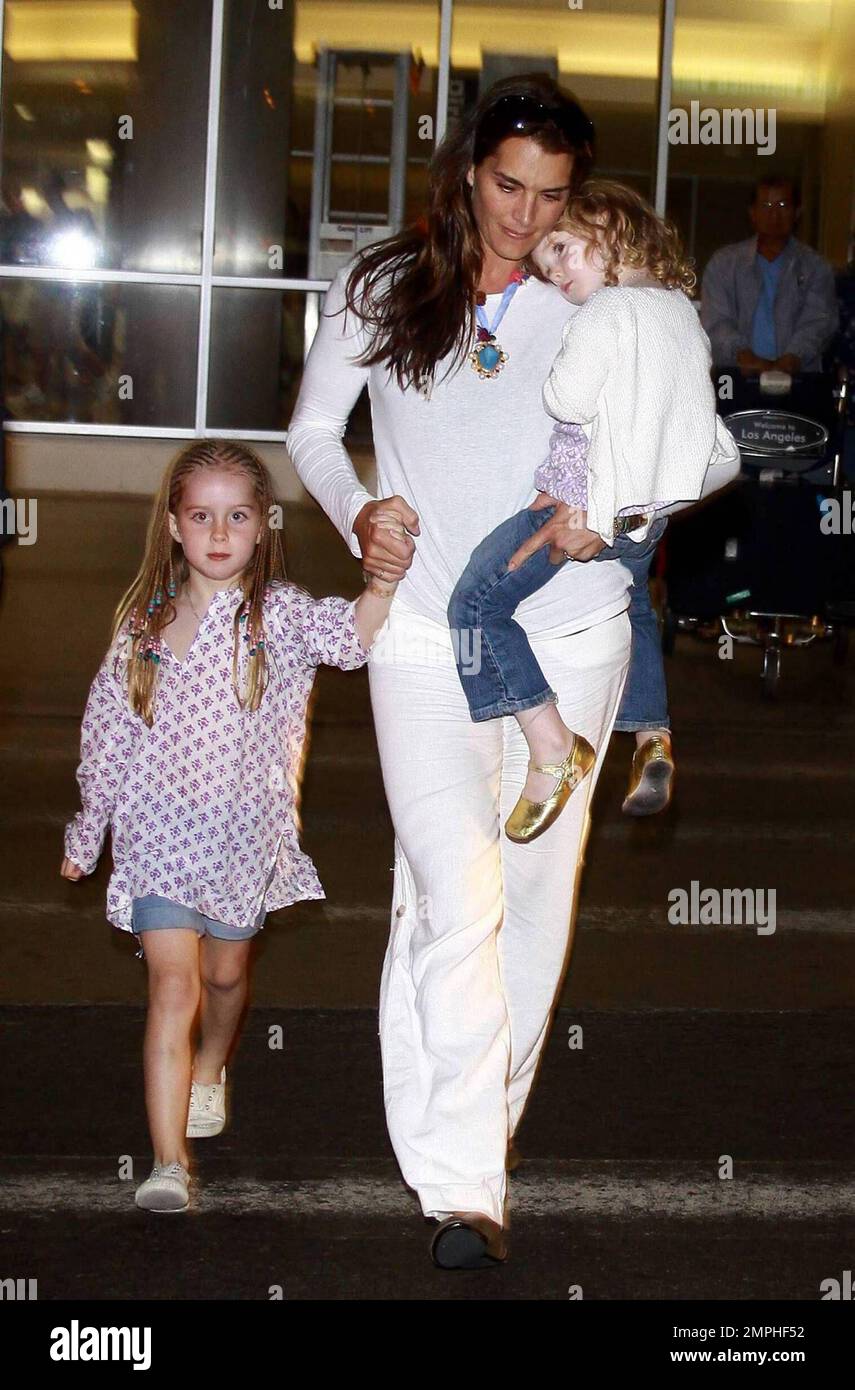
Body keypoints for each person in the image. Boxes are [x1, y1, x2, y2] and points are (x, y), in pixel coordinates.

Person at [286, 75, 740, 1270]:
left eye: (550, 195)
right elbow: (310, 431)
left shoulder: (601, 292)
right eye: (505, 185)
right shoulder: (384, 284)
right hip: (425, 637)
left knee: (534, 900)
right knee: (456, 891)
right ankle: (463, 1183)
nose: (525, 216)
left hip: (574, 638)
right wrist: (358, 510)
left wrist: (621, 517)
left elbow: (713, 450)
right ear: (466, 169)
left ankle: (483, 1124)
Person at [60, 440, 395, 1213]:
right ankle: (168, 1163)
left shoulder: (280, 615)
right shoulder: (144, 625)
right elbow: (107, 732)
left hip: (242, 840)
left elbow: (350, 637)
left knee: (222, 977)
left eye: (237, 516)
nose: (218, 533)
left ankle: (211, 1065)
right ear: (173, 525)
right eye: (201, 516)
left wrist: (382, 581)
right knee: (173, 985)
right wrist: (89, 828)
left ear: (264, 524)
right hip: (156, 837)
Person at [447, 180, 740, 833]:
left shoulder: (604, 311)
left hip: (582, 507)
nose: (553, 273)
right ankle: (652, 737)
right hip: (644, 518)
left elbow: (568, 400)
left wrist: (561, 364)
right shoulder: (681, 315)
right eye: (544, 263)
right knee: (635, 608)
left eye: (562, 251)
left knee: (472, 605)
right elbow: (707, 439)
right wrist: (641, 513)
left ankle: (550, 743)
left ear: (610, 235)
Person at [701, 175, 838, 375]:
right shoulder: (724, 264)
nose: (774, 215)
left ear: (797, 212)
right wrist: (744, 357)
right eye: (766, 206)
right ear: (753, 213)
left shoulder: (815, 267)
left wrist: (792, 359)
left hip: (797, 376)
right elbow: (716, 321)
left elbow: (819, 322)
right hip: (735, 375)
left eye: (782, 205)